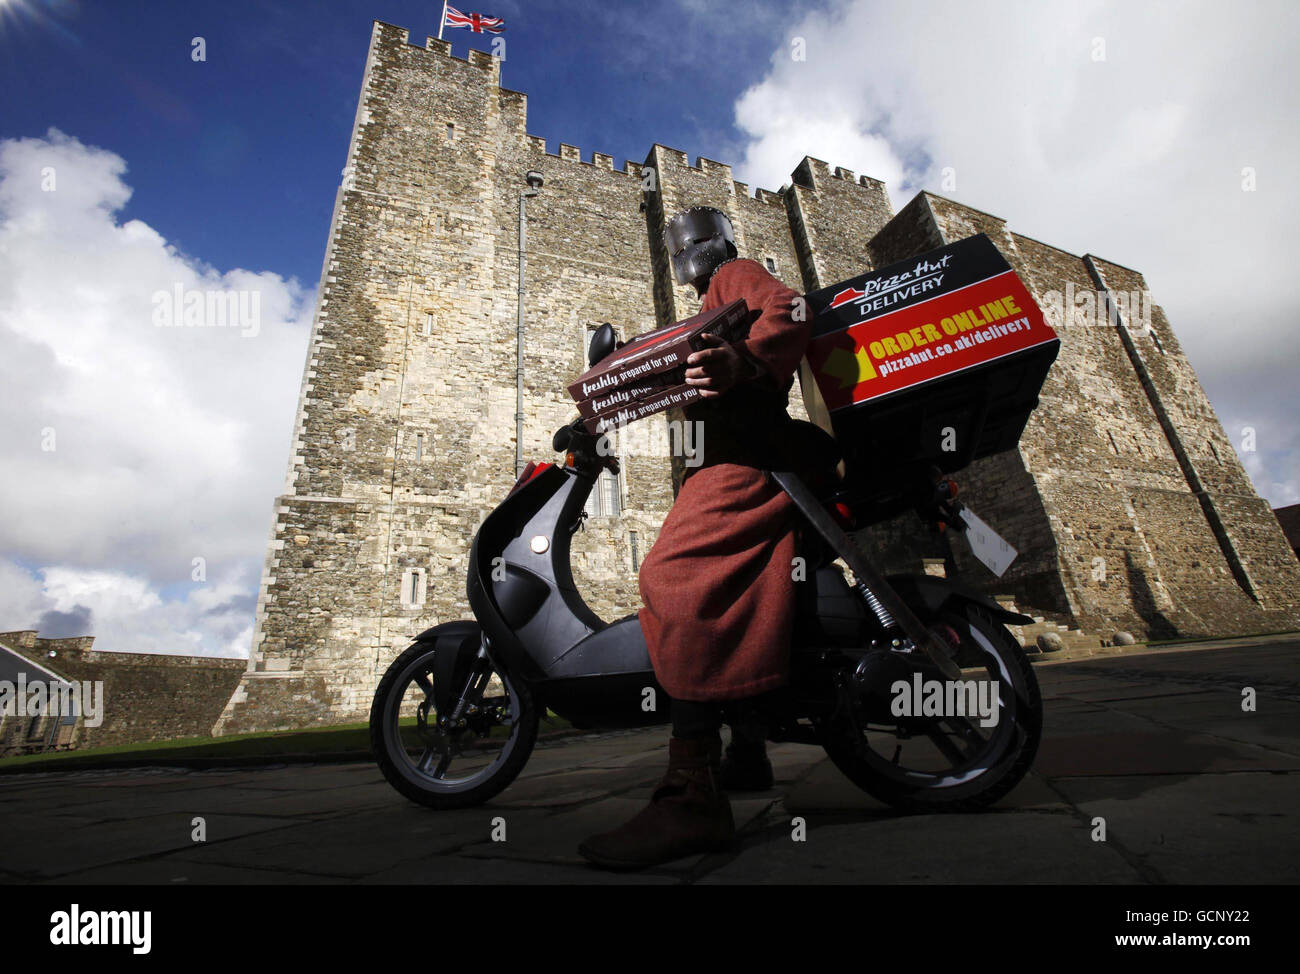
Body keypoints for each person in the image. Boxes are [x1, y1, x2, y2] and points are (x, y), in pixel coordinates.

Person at [578, 206, 813, 870]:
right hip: (730, 456)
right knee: (734, 592)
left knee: (675, 579)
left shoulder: (736, 275)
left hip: (746, 456)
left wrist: (744, 362)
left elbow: (790, 312)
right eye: (681, 246)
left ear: (720, 243)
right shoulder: (705, 309)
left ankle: (692, 797)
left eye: (698, 242)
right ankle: (746, 754)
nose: (689, 255)